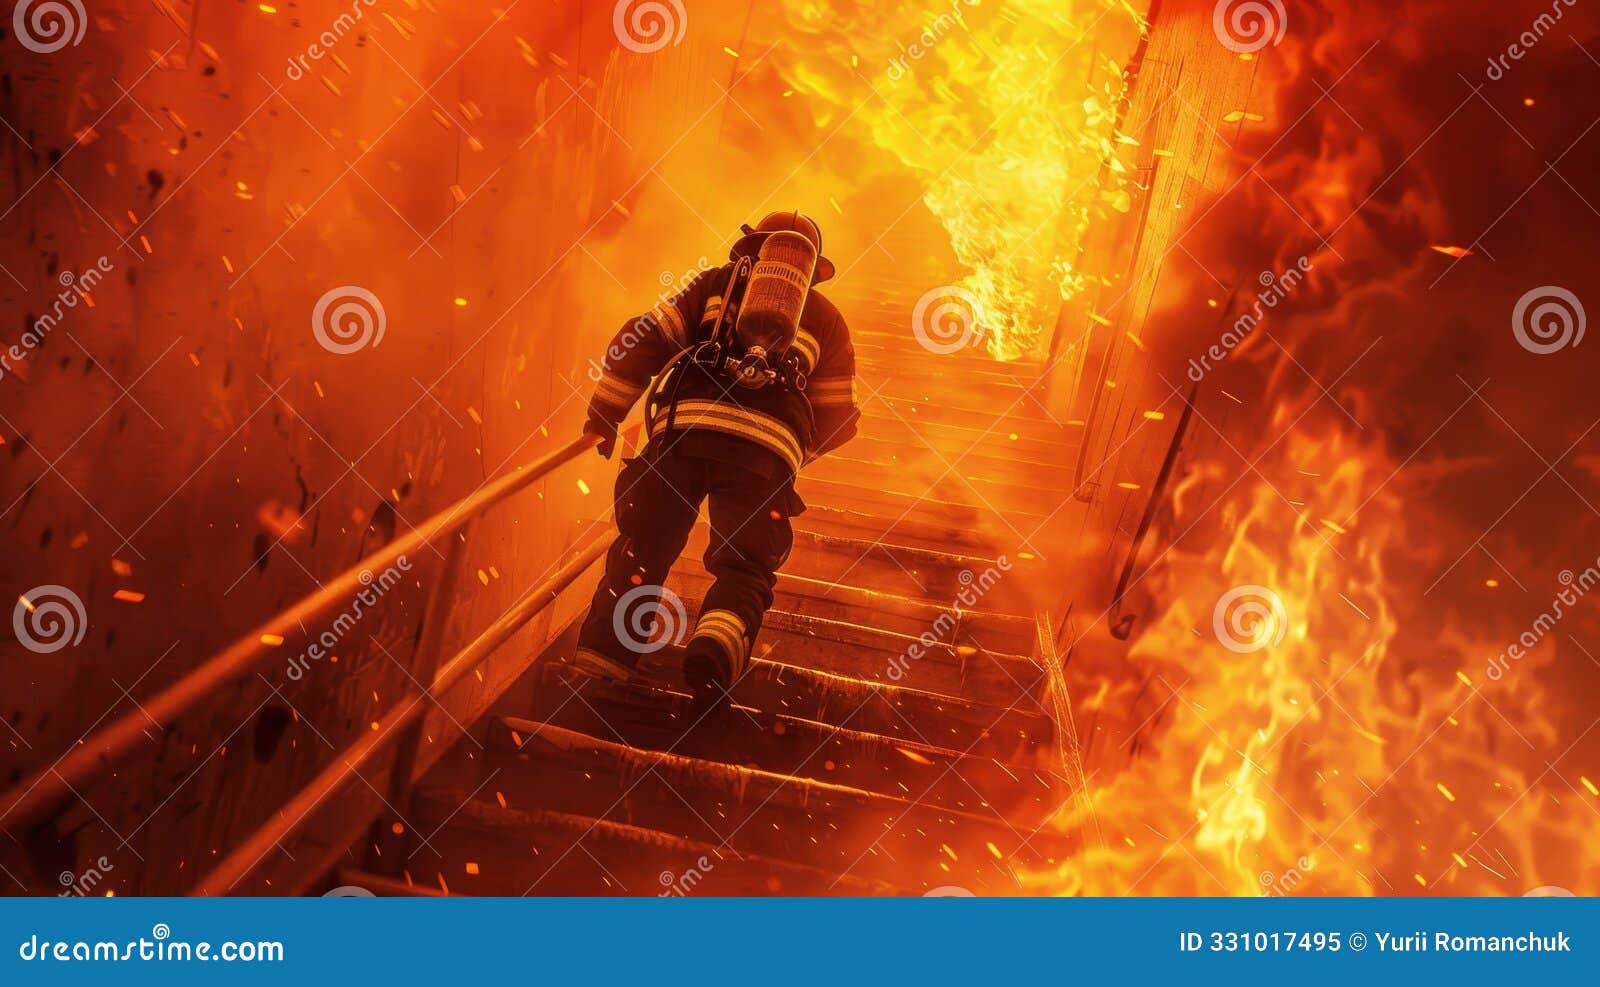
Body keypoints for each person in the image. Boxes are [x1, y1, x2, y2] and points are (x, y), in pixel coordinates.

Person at [572, 211, 859, 703]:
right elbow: (841, 417)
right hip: (763, 458)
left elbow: (645, 339)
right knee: (745, 566)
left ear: (752, 249)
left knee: (644, 549)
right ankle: (713, 649)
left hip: (683, 436)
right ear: (813, 267)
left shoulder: (713, 285)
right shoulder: (828, 319)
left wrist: (604, 414)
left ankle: (600, 668)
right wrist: (793, 454)